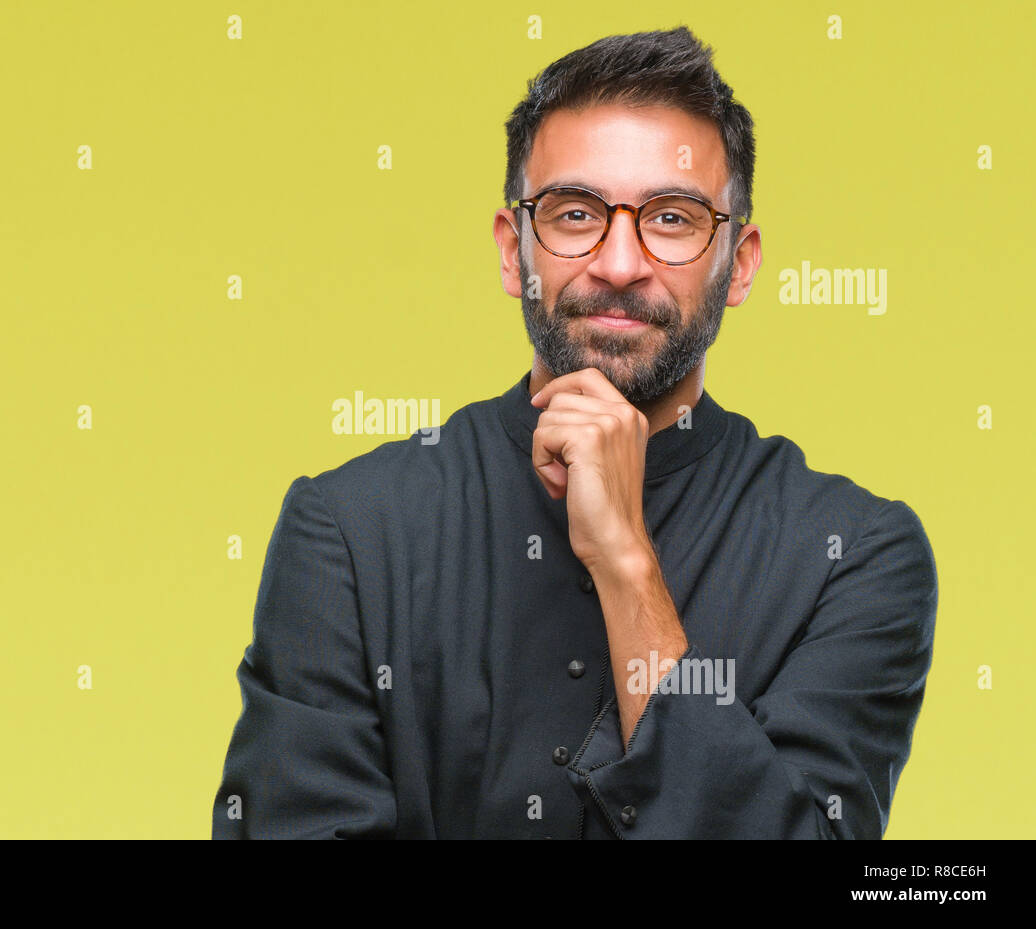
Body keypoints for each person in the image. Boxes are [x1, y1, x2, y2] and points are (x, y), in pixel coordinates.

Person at [212, 25, 937, 839]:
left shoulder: (857, 555)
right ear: (511, 249)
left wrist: (628, 565)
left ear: (738, 264)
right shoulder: (346, 532)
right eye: (574, 212)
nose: (620, 262)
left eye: (671, 217)